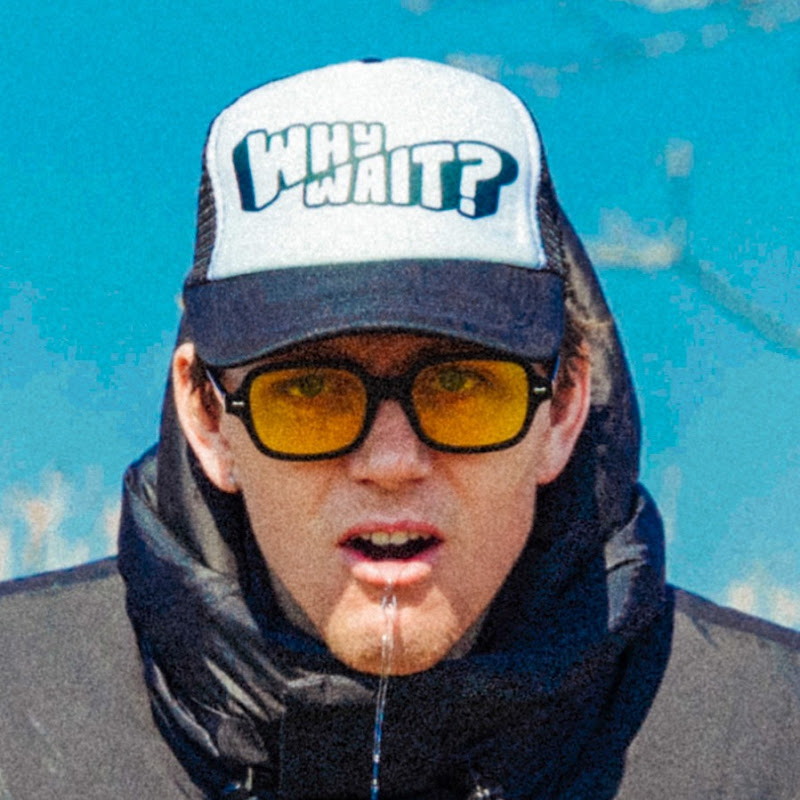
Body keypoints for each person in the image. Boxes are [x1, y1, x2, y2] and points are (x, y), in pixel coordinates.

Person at [0, 58, 798, 800]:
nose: (390, 461)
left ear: (561, 409)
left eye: (460, 386)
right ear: (208, 417)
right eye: (309, 391)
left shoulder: (772, 741)